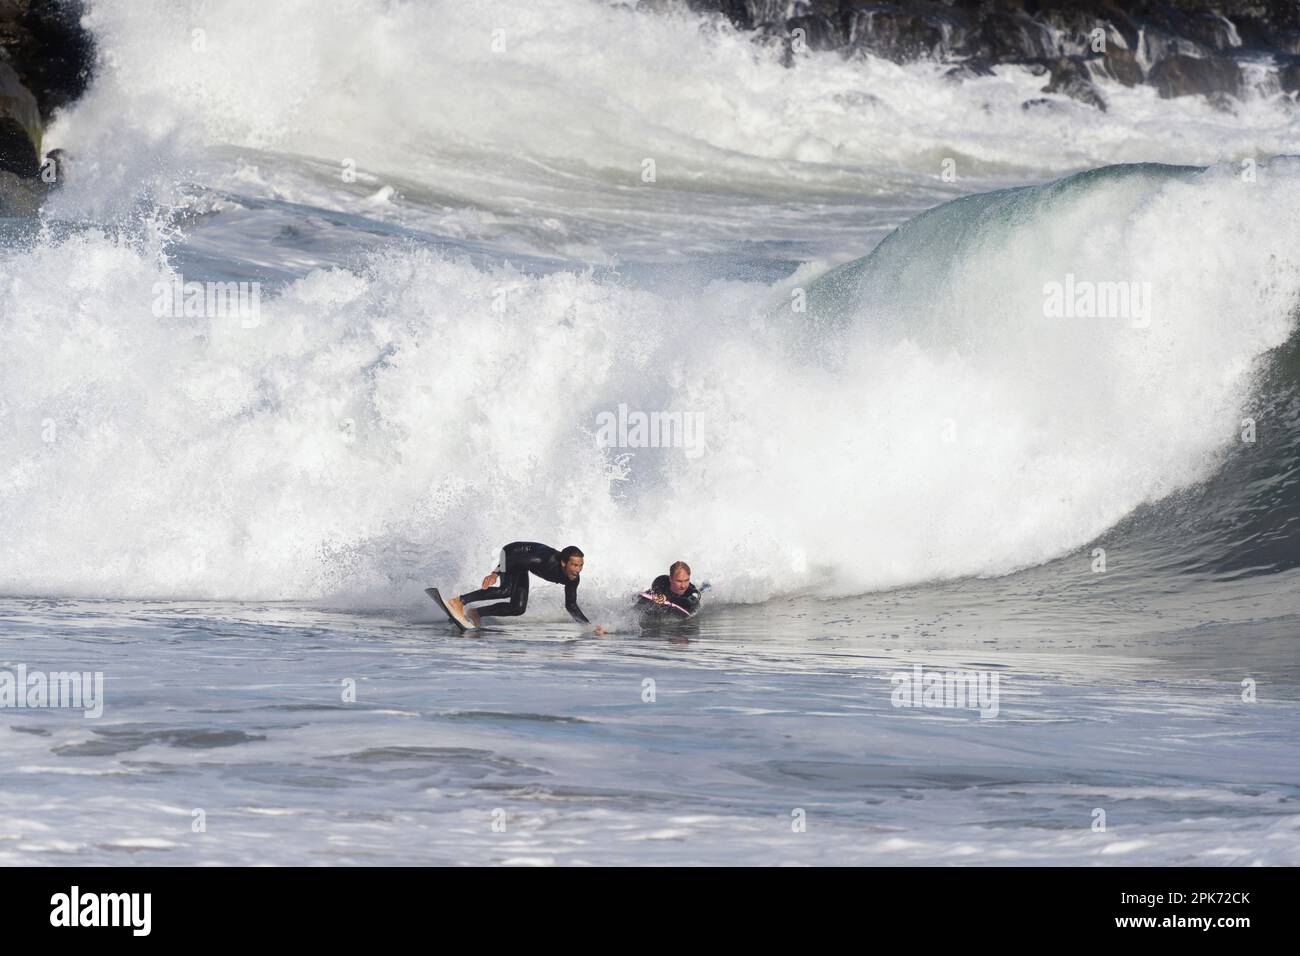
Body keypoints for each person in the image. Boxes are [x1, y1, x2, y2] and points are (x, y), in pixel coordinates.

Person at [449, 542, 607, 634]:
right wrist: (494, 574)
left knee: (517, 608)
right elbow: (515, 561)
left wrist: (588, 626)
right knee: (506, 590)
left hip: (523, 563)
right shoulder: (542, 561)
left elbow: (570, 605)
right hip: (512, 554)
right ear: (563, 563)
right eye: (574, 565)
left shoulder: (573, 578)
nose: (578, 570)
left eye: (581, 566)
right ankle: (459, 601)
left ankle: (476, 613)